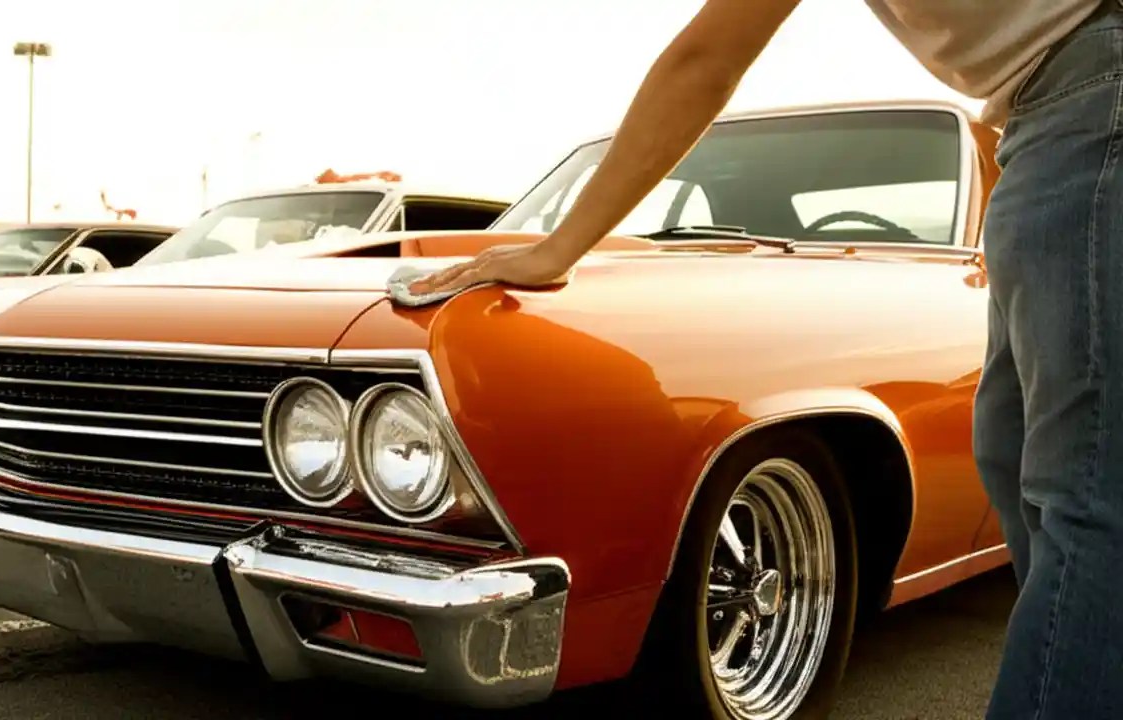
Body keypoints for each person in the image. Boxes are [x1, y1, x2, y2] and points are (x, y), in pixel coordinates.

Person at [411, 0, 1123, 717]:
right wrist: (558, 247)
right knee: (1010, 453)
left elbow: (705, 59)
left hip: (1093, 79)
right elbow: (708, 55)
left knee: (1087, 491)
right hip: (1043, 102)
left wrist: (560, 248)